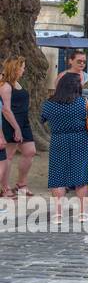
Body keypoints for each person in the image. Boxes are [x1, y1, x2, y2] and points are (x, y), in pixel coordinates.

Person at [40, 72, 88, 203]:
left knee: (58, 178)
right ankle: (82, 213)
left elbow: (40, 119)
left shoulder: (49, 104)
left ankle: (58, 215)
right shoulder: (83, 102)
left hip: (59, 142)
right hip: (82, 142)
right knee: (81, 179)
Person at [0, 57, 36, 198]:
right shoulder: (5, 85)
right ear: (15, 67)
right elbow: (6, 110)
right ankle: (5, 188)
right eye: (22, 66)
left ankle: (21, 184)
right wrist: (16, 128)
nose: (24, 69)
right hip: (10, 124)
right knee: (8, 156)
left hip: (23, 123)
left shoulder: (17, 83)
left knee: (30, 151)